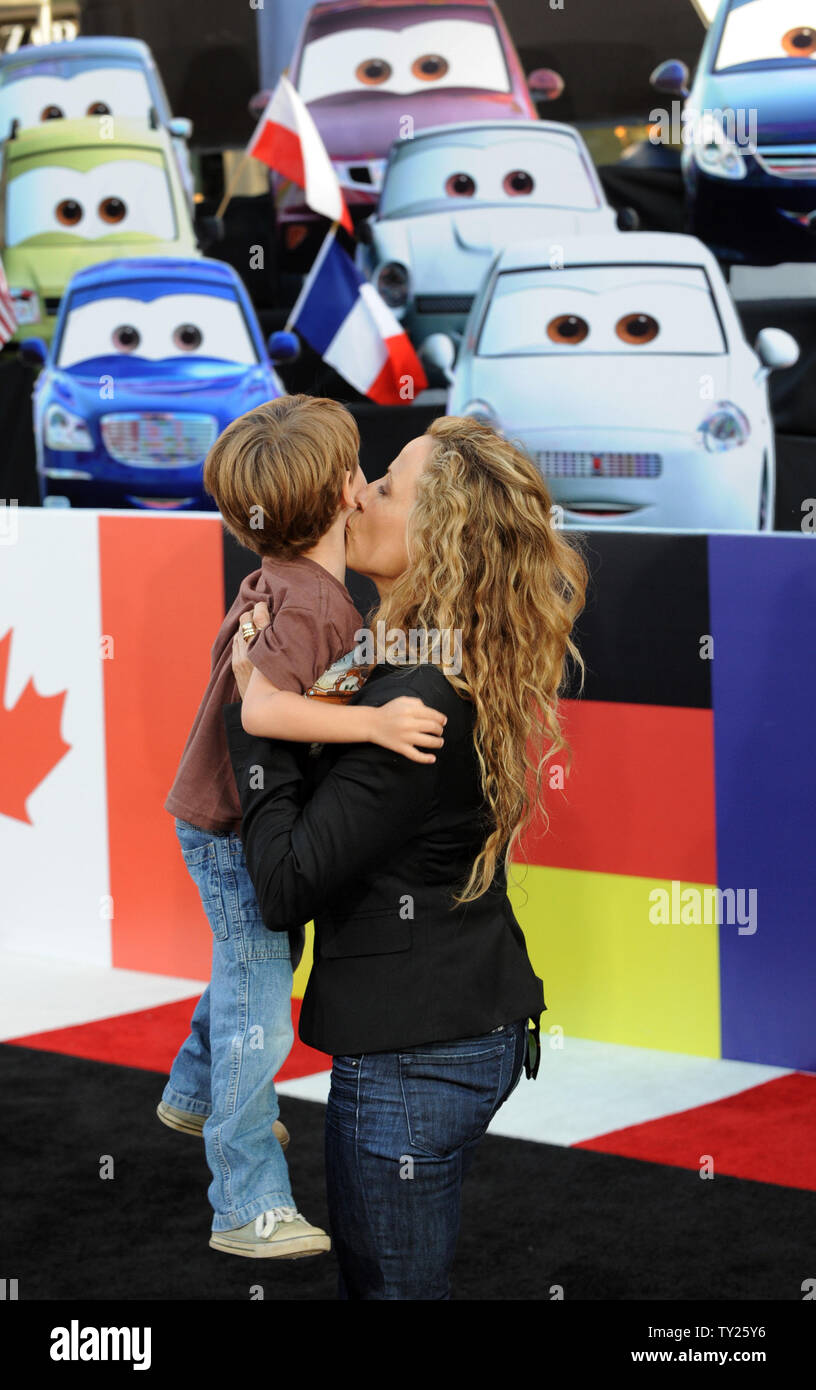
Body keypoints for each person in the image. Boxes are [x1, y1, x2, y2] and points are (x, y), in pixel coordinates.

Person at [224, 416, 588, 1298]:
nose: (356, 494)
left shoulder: (418, 690)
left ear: (441, 536)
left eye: (383, 487)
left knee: (388, 1291)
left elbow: (285, 884)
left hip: (417, 1055)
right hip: (442, 1033)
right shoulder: (417, 654)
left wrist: (253, 719)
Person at [158, 395, 445, 1258]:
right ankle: (246, 1201)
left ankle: (196, 1088)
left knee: (248, 973)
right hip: (230, 831)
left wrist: (442, 653)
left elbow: (341, 669)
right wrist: (376, 725)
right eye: (362, 472)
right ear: (339, 494)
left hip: (220, 823)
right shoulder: (306, 601)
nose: (369, 487)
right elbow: (271, 708)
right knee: (262, 1016)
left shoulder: (303, 589)